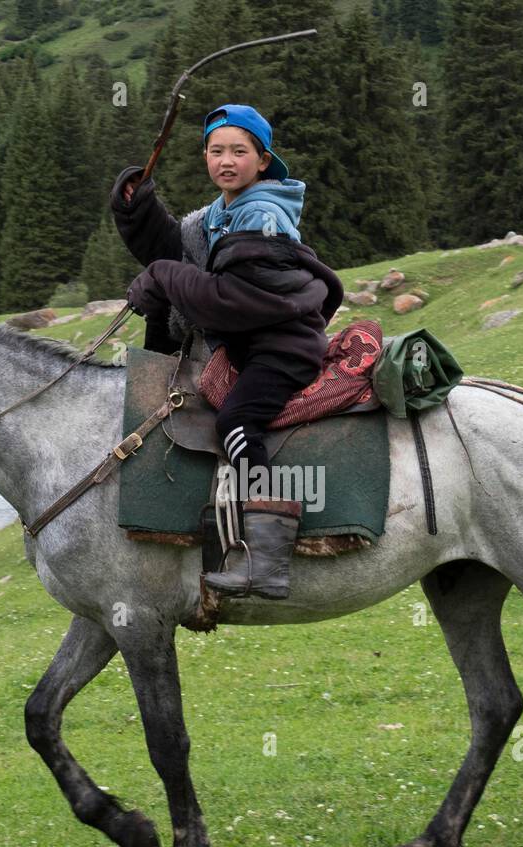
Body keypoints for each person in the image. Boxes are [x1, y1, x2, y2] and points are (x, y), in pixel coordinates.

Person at [110, 103, 343, 599]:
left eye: (240, 151)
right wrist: (138, 210)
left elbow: (230, 300)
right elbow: (178, 250)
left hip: (282, 350)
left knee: (236, 422)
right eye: (216, 150)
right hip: (249, 349)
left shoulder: (263, 215)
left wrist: (161, 277)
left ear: (263, 161)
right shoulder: (220, 213)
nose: (226, 160)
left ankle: (266, 562)